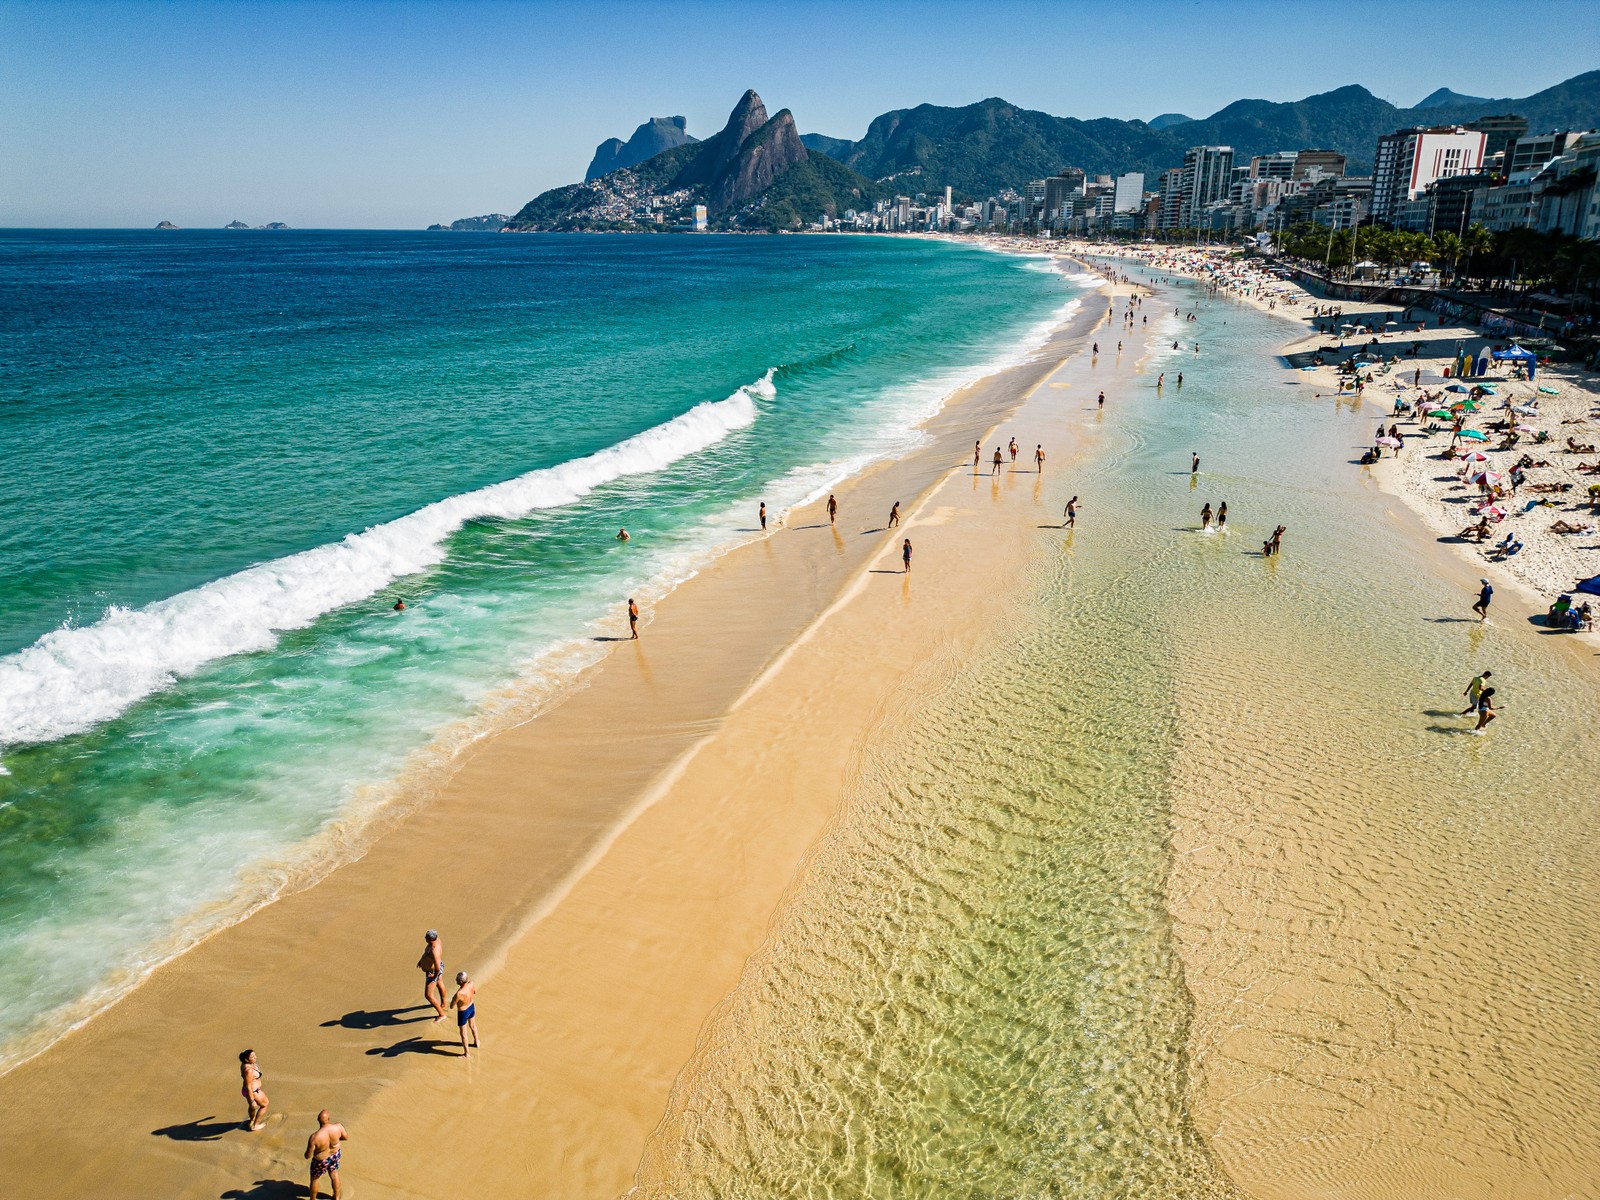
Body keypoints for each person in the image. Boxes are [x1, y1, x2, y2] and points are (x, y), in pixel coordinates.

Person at [306, 1110, 348, 1200]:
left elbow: (308, 1155)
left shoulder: (314, 1137)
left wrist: (319, 1149)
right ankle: (336, 1196)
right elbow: (345, 1137)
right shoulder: (338, 1127)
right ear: (328, 1119)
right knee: (334, 1174)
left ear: (318, 1120)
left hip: (321, 1160)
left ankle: (312, 1199)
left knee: (315, 1179)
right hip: (335, 1155)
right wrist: (334, 1142)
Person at [418, 929, 445, 1021]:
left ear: (430, 939)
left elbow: (437, 967)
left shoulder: (434, 950)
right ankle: (444, 1003)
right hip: (435, 969)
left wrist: (434, 977)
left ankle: (442, 1015)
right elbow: (426, 954)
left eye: (426, 937)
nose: (424, 937)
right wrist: (421, 961)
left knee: (428, 995)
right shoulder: (436, 940)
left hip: (433, 972)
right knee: (440, 984)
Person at [452, 971, 480, 1057]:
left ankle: (467, 1053)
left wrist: (454, 998)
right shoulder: (471, 983)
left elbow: (452, 1006)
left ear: (460, 982)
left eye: (457, 979)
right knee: (473, 1025)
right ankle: (476, 1042)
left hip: (463, 1012)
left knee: (463, 1033)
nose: (455, 980)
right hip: (471, 1007)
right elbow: (474, 992)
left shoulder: (459, 994)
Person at [239, 1050, 268, 1132]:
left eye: (255, 1055)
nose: (255, 1057)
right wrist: (252, 1100)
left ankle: (251, 1120)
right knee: (265, 1105)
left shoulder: (245, 1064)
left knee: (252, 1108)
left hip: (247, 1091)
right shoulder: (249, 1071)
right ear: (246, 1059)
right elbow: (248, 1086)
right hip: (253, 1092)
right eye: (252, 1057)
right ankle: (255, 1125)